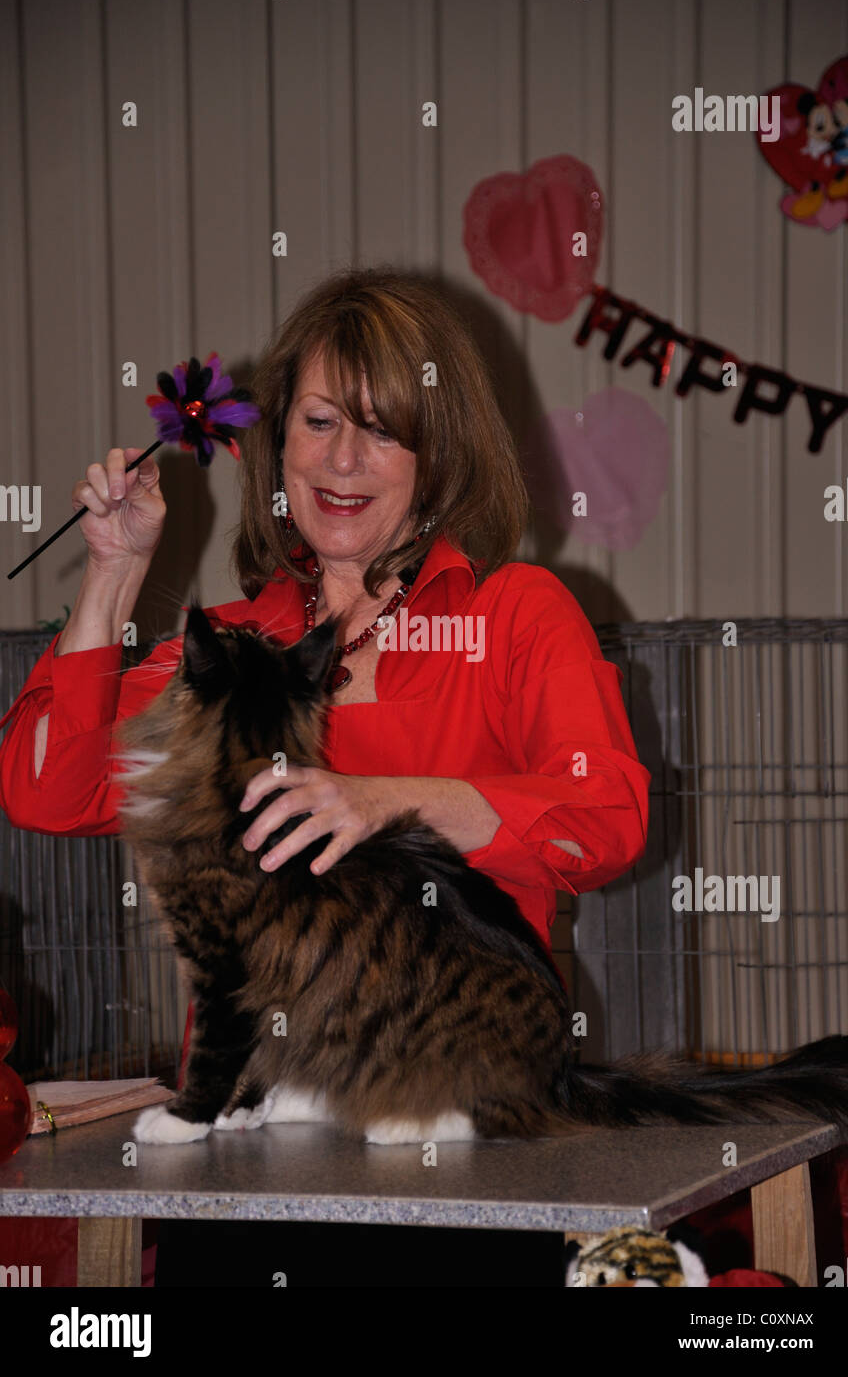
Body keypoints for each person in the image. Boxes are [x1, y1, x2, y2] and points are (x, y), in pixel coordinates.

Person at [0, 266, 650, 1286]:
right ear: (277, 446)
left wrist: (388, 797)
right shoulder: (235, 651)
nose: (344, 460)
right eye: (317, 422)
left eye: (383, 429)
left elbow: (602, 822)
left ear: (438, 457)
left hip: (457, 1151)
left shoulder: (517, 615)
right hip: (256, 1162)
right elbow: (46, 786)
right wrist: (114, 571)